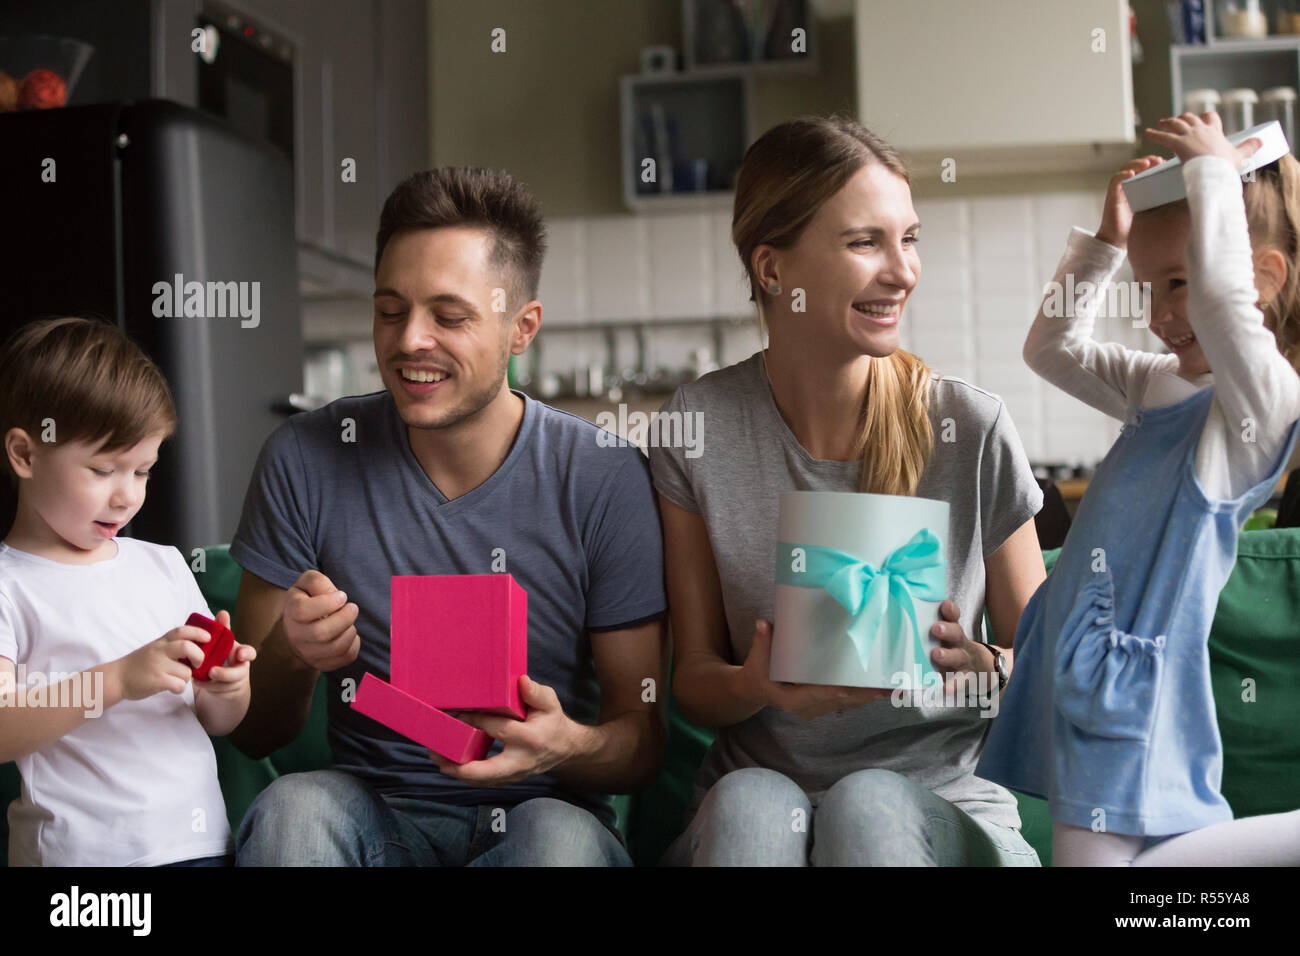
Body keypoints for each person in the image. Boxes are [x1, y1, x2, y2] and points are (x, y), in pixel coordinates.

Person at [230, 167, 667, 867]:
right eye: (390, 309)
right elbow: (252, 732)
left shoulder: (603, 476)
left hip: (541, 817)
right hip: (373, 817)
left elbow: (640, 744)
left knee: (557, 844)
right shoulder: (304, 457)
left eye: (449, 316)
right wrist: (291, 650)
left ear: (522, 328)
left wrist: (566, 744)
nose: (410, 341)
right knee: (292, 809)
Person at [650, 116, 1047, 866]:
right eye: (866, 242)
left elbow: (1051, 666)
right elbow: (694, 683)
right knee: (750, 803)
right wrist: (758, 684)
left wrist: (985, 666)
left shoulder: (970, 426)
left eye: (910, 238)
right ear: (773, 270)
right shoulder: (695, 429)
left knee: (868, 805)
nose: (903, 270)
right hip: (759, 797)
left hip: (945, 801)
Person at [977, 112, 1300, 865]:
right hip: (1089, 683)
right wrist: (1106, 244)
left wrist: (1213, 175)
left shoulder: (1260, 407)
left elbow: (1226, 312)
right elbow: (1050, 349)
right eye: (1149, 286)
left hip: (1133, 703)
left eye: (1178, 283)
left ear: (1263, 279)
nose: (1157, 316)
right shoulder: (1158, 383)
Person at [0, 316, 254, 867]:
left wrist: (226, 689)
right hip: (83, 862)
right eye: (103, 470)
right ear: (25, 454)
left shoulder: (162, 566)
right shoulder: (9, 584)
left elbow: (215, 722)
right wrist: (115, 680)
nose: (125, 497)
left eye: (142, 471)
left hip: (201, 846)